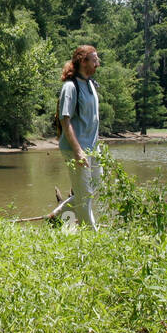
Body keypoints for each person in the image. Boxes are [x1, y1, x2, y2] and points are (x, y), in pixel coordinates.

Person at [48, 45, 102, 230]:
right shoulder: (70, 87)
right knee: (85, 194)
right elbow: (65, 121)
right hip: (75, 149)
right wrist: (78, 151)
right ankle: (92, 235)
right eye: (94, 59)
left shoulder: (91, 85)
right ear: (83, 61)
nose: (98, 63)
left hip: (94, 148)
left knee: (96, 186)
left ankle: (59, 215)